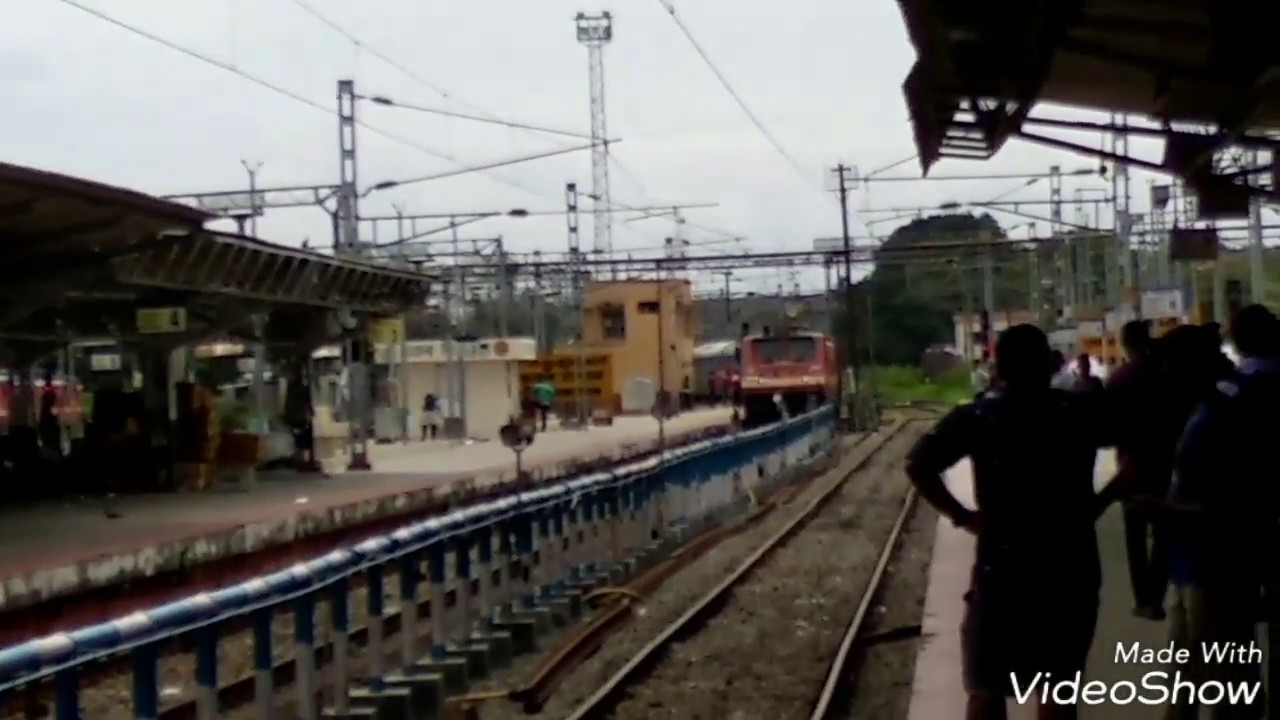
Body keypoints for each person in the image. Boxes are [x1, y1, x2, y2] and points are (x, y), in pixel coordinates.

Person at [907, 324, 1105, 720]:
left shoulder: (979, 415)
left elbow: (918, 464)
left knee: (986, 687)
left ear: (998, 367)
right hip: (1071, 565)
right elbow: (1138, 454)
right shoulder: (1079, 413)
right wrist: (1100, 502)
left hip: (1002, 566)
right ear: (1049, 365)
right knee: (1058, 688)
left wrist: (963, 516)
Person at [1145, 310, 1279, 720]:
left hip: (1217, 568)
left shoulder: (1230, 410)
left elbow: (1238, 500)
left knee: (1229, 690)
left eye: (1171, 368)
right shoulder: (1208, 405)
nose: (1166, 379)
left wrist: (1168, 510)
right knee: (1183, 687)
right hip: (1190, 567)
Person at [1102, 319, 1174, 621]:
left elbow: (1107, 427)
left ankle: (1143, 599)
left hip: (1132, 465)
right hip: (1167, 461)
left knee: (1135, 535)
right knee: (1164, 532)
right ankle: (1157, 594)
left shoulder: (1120, 379)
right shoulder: (1168, 373)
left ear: (1125, 343)